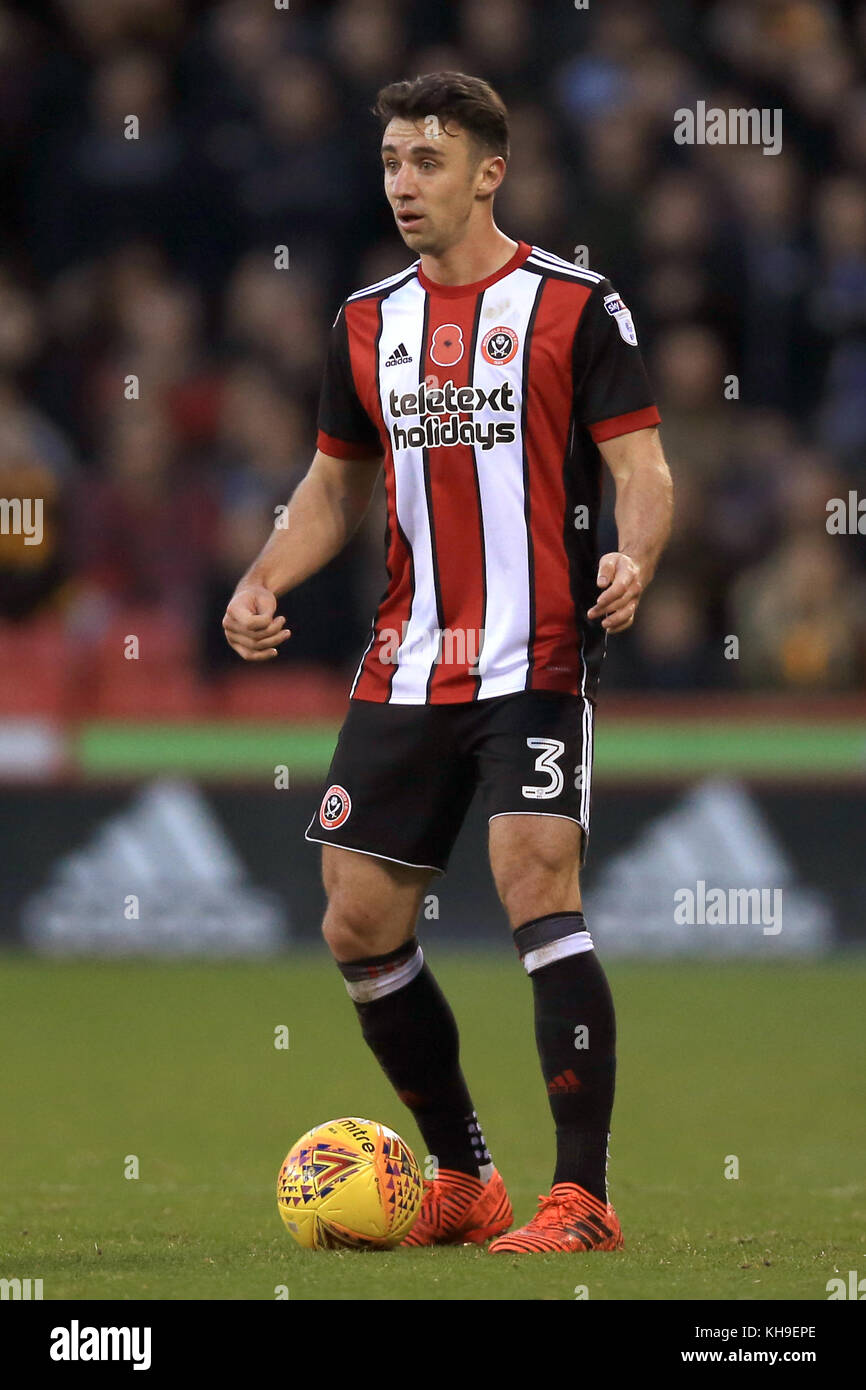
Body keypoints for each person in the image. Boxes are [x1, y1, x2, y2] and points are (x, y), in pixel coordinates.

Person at [223, 72, 673, 1253]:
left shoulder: (575, 306)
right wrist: (266, 573)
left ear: (488, 171)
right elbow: (333, 483)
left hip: (537, 648)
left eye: (426, 160)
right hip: (407, 659)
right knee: (356, 921)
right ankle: (466, 1175)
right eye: (388, 163)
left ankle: (579, 1199)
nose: (402, 183)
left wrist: (636, 555)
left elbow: (642, 467)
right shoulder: (365, 322)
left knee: (534, 875)